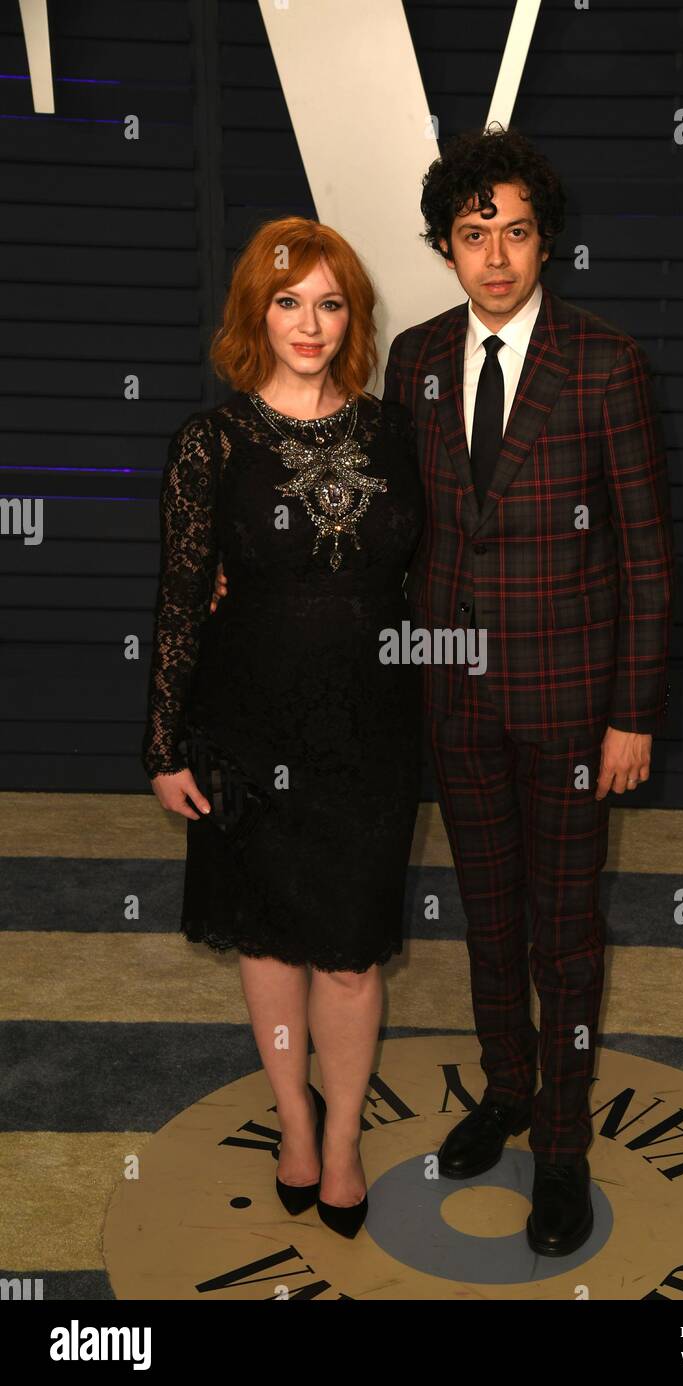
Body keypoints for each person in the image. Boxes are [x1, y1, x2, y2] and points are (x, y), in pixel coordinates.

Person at [383, 124, 675, 1256]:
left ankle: (559, 1142)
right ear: (444, 247)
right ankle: (505, 1087)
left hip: (571, 709)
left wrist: (631, 712)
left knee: (567, 938)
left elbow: (645, 555)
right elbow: (396, 533)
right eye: (471, 234)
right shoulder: (412, 359)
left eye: (513, 231)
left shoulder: (604, 362)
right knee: (487, 923)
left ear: (544, 239)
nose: (494, 256)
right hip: (453, 703)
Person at [141, 216, 425, 1240]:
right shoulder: (209, 443)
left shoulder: (398, 433)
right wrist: (164, 744)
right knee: (265, 938)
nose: (309, 322)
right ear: (255, 313)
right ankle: (292, 1117)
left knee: (349, 954)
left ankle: (343, 1138)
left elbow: (433, 574)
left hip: (370, 729)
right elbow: (178, 600)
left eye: (329, 301)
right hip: (246, 725)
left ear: (353, 315)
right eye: (288, 300)